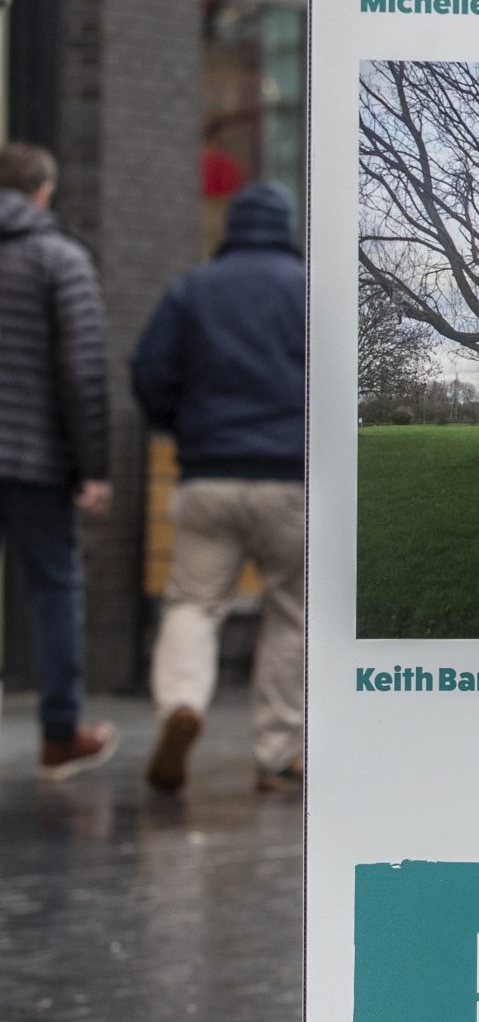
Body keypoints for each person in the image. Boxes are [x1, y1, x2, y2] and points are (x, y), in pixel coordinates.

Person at [130, 182, 306, 795]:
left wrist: (183, 429)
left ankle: (182, 704)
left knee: (193, 604)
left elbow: (149, 372)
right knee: (292, 613)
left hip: (208, 475)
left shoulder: (192, 289)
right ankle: (277, 756)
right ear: (286, 227)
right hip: (291, 479)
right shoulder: (308, 289)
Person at [0, 140, 116, 780]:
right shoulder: (58, 257)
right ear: (43, 191)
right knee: (53, 590)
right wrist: (92, 468)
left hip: (29, 455)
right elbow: (83, 371)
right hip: (32, 459)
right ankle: (59, 736)